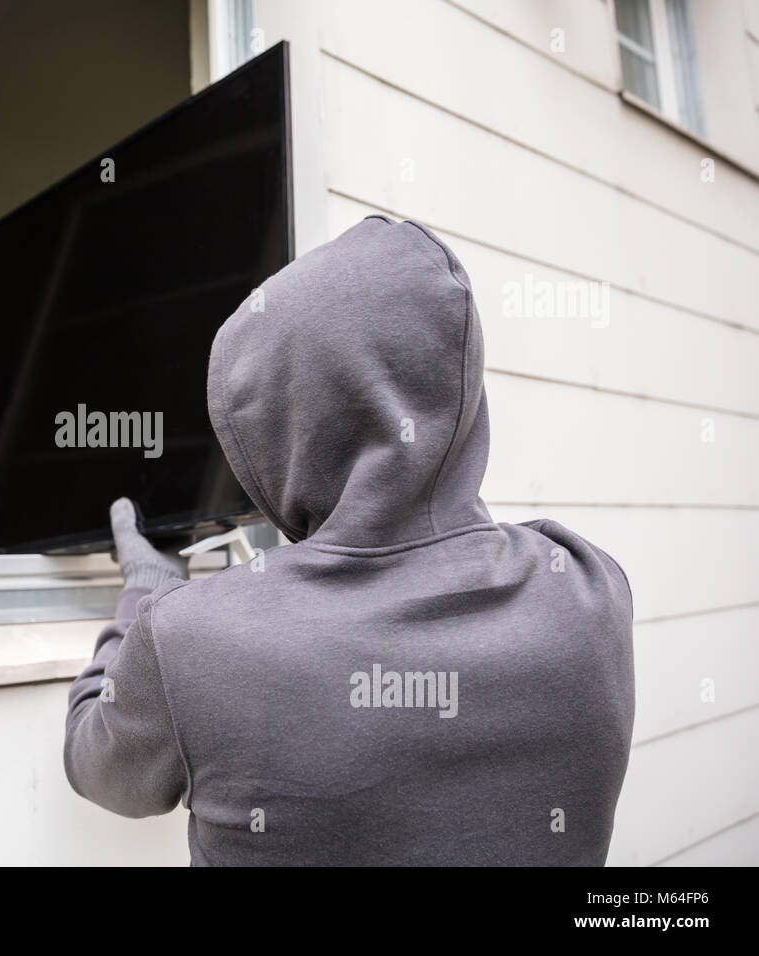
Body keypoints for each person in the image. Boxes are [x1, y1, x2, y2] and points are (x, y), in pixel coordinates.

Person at [63, 215, 636, 865]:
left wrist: (144, 596)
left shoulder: (194, 638)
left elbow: (99, 766)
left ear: (276, 426)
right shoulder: (590, 588)